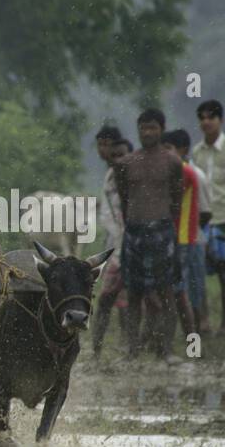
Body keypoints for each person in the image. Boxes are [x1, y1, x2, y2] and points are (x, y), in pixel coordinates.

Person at [113, 109, 182, 359]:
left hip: (162, 230)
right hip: (134, 231)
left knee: (166, 292)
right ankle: (133, 350)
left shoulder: (172, 162)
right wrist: (136, 221)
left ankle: (165, 350)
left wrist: (164, 223)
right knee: (134, 293)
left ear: (161, 129)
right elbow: (124, 198)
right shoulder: (126, 163)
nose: (147, 133)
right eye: (143, 128)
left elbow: (177, 199)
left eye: (152, 128)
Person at [191, 100, 225, 333]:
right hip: (202, 220)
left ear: (220, 120)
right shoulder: (196, 152)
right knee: (198, 273)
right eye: (202, 118)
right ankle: (203, 322)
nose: (206, 122)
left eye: (210, 117)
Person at [161, 130, 209, 338]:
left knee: (181, 293)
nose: (165, 154)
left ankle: (191, 338)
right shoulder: (179, 171)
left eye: (169, 149)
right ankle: (188, 340)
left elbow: (203, 212)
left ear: (181, 150)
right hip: (176, 238)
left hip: (184, 239)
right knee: (180, 292)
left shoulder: (185, 172)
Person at [92, 136, 132, 356]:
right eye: (115, 156)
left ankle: (133, 347)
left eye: (123, 155)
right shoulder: (110, 178)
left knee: (134, 300)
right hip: (116, 246)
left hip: (135, 246)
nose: (118, 160)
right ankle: (96, 349)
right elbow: (109, 217)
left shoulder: (137, 180)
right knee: (107, 296)